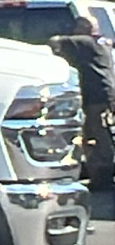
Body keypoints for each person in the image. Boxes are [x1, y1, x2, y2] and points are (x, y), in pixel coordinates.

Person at [49, 17, 115, 190]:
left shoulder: (84, 42)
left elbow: (55, 41)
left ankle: (103, 177)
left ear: (86, 28)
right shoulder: (101, 44)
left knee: (96, 136)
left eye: (78, 26)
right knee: (100, 134)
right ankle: (100, 173)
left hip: (96, 97)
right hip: (104, 95)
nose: (74, 30)